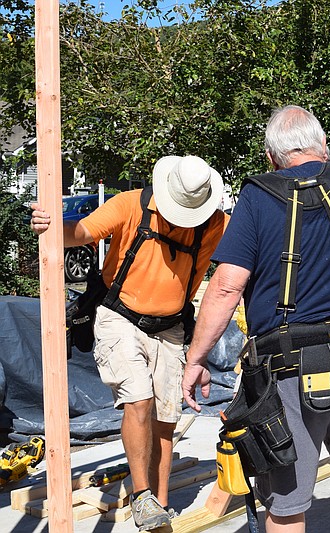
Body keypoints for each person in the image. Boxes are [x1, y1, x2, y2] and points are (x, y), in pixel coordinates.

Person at [181, 105, 330, 533]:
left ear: (272, 157)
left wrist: (196, 359)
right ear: (323, 145)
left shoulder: (257, 196)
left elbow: (227, 287)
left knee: (286, 492)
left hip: (287, 368)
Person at [30, 155, 228, 530]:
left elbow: (250, 253)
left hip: (171, 328)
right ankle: (142, 496)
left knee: (166, 419)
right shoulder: (130, 205)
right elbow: (81, 232)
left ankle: (160, 506)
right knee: (138, 400)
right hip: (120, 317)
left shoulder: (215, 223)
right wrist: (52, 225)